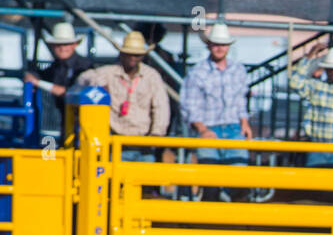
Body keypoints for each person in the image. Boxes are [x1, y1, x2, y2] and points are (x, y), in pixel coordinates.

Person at [74, 30, 171, 160]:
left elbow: (161, 107)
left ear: (143, 56)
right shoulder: (108, 73)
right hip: (114, 142)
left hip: (143, 143)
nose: (133, 58)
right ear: (121, 54)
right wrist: (97, 86)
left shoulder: (151, 76)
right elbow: (82, 79)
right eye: (129, 54)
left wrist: (157, 134)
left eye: (137, 55)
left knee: (145, 179)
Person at [180, 22, 253, 168]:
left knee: (239, 176)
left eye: (223, 44)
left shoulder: (238, 69)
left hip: (234, 128)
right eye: (216, 44)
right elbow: (189, 105)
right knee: (210, 180)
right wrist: (202, 129)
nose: (220, 48)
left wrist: (245, 123)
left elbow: (240, 100)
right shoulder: (197, 72)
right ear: (209, 46)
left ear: (228, 46)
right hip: (208, 128)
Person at [23, 21, 92, 136]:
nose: (62, 48)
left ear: (75, 44)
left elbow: (71, 94)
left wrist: (37, 82)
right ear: (52, 46)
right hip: (64, 122)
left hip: (81, 125)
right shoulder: (56, 66)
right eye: (58, 44)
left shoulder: (84, 66)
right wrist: (31, 77)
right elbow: (39, 75)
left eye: (66, 44)